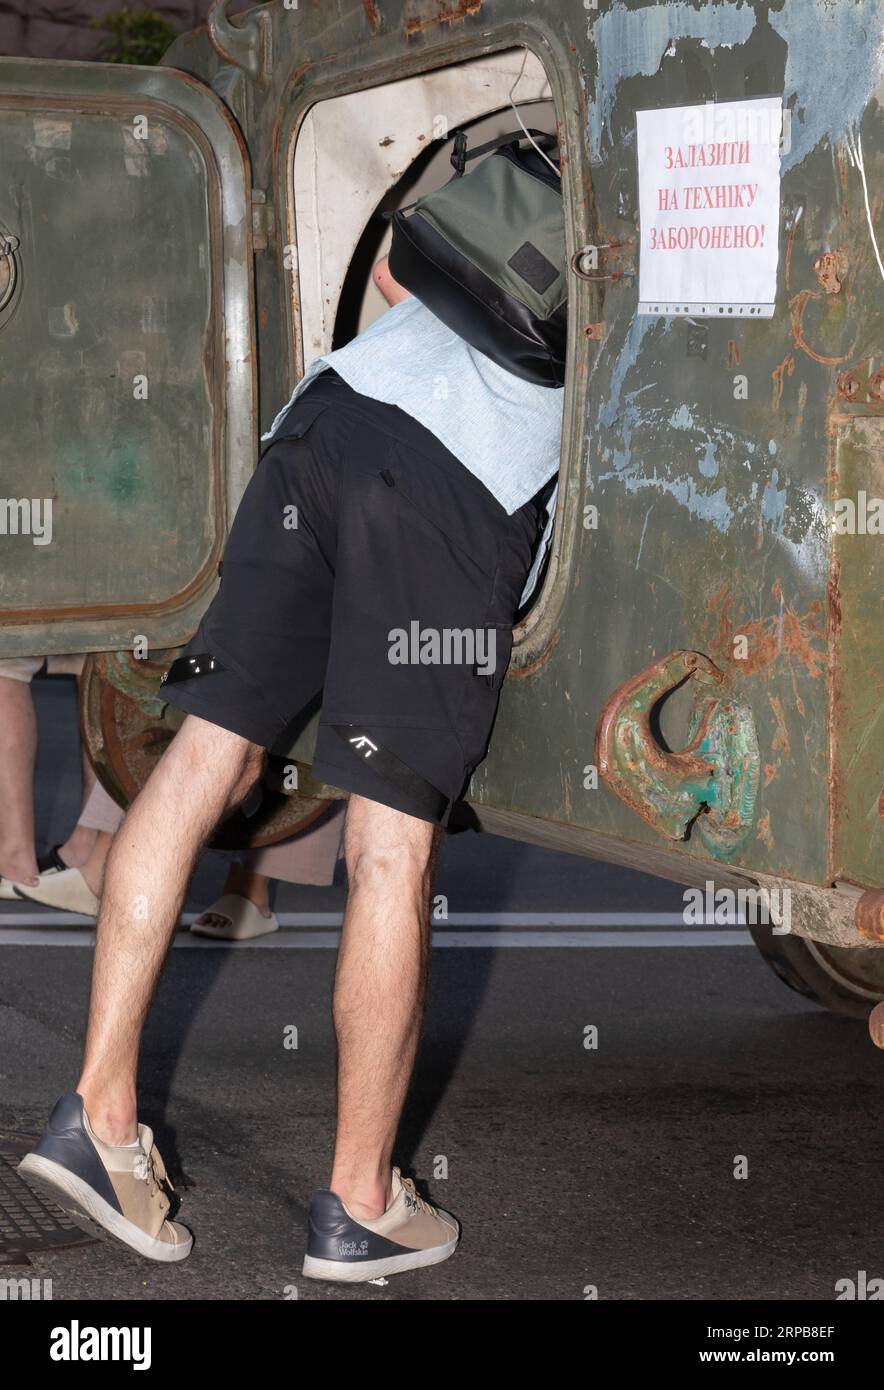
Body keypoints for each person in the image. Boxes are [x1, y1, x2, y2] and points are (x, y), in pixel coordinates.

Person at [21, 249, 564, 1282]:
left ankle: (99, 1115)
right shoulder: (666, 203)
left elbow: (406, 269)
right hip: (452, 478)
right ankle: (360, 1203)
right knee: (390, 847)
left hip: (324, 419)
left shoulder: (525, 174)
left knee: (202, 757)